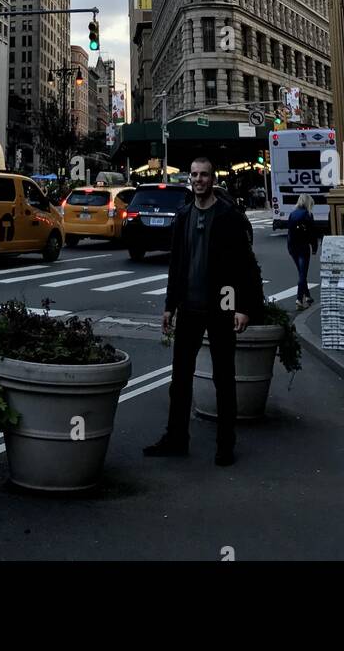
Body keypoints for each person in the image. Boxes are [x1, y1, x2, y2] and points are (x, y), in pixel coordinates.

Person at [143, 156, 263, 467]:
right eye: (194, 175)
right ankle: (175, 438)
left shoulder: (228, 216)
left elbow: (244, 265)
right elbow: (176, 265)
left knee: (224, 378)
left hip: (221, 305)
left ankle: (226, 444)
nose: (198, 180)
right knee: (180, 378)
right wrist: (169, 306)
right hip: (189, 307)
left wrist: (243, 308)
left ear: (213, 179)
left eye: (204, 175)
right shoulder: (183, 215)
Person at [287, 192, 317, 309]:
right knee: (302, 274)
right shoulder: (308, 215)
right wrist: (314, 248)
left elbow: (289, 232)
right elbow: (312, 233)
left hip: (292, 246)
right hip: (303, 247)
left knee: (301, 272)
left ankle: (308, 296)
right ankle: (299, 299)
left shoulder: (292, 214)